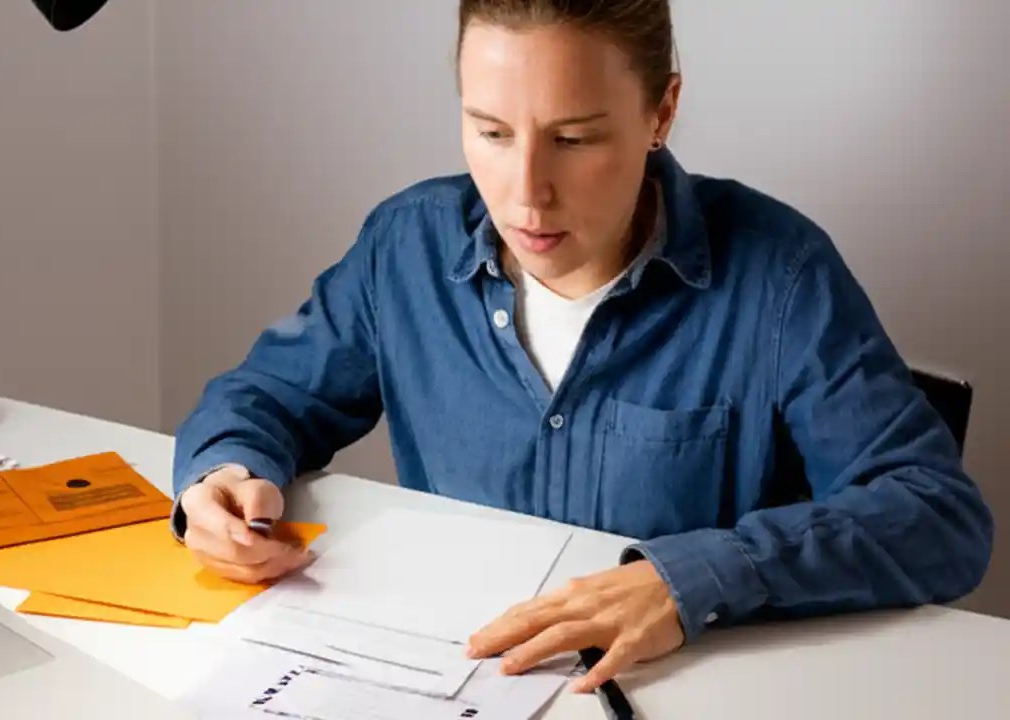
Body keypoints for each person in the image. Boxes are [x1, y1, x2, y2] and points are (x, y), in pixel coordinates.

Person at [169, 0, 993, 695]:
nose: (526, 191)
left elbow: (937, 515)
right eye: (491, 131)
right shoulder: (405, 247)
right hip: (449, 681)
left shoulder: (781, 275)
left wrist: (691, 579)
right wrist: (223, 475)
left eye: (573, 139)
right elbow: (268, 396)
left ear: (661, 112)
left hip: (681, 694)